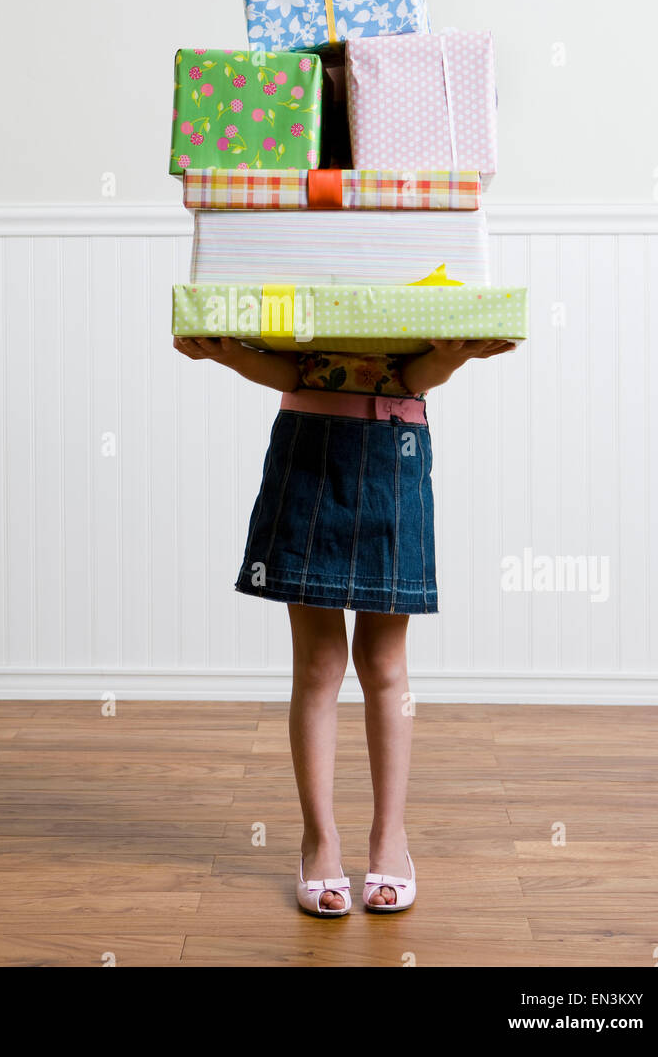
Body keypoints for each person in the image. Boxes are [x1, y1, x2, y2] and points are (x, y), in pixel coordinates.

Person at [173, 335, 515, 917]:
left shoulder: (413, 267)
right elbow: (293, 368)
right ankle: (320, 841)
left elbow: (414, 373)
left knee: (383, 663)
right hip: (307, 448)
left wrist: (453, 357)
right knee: (318, 663)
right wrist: (231, 355)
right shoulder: (313, 266)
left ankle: (391, 839)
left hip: (394, 450)